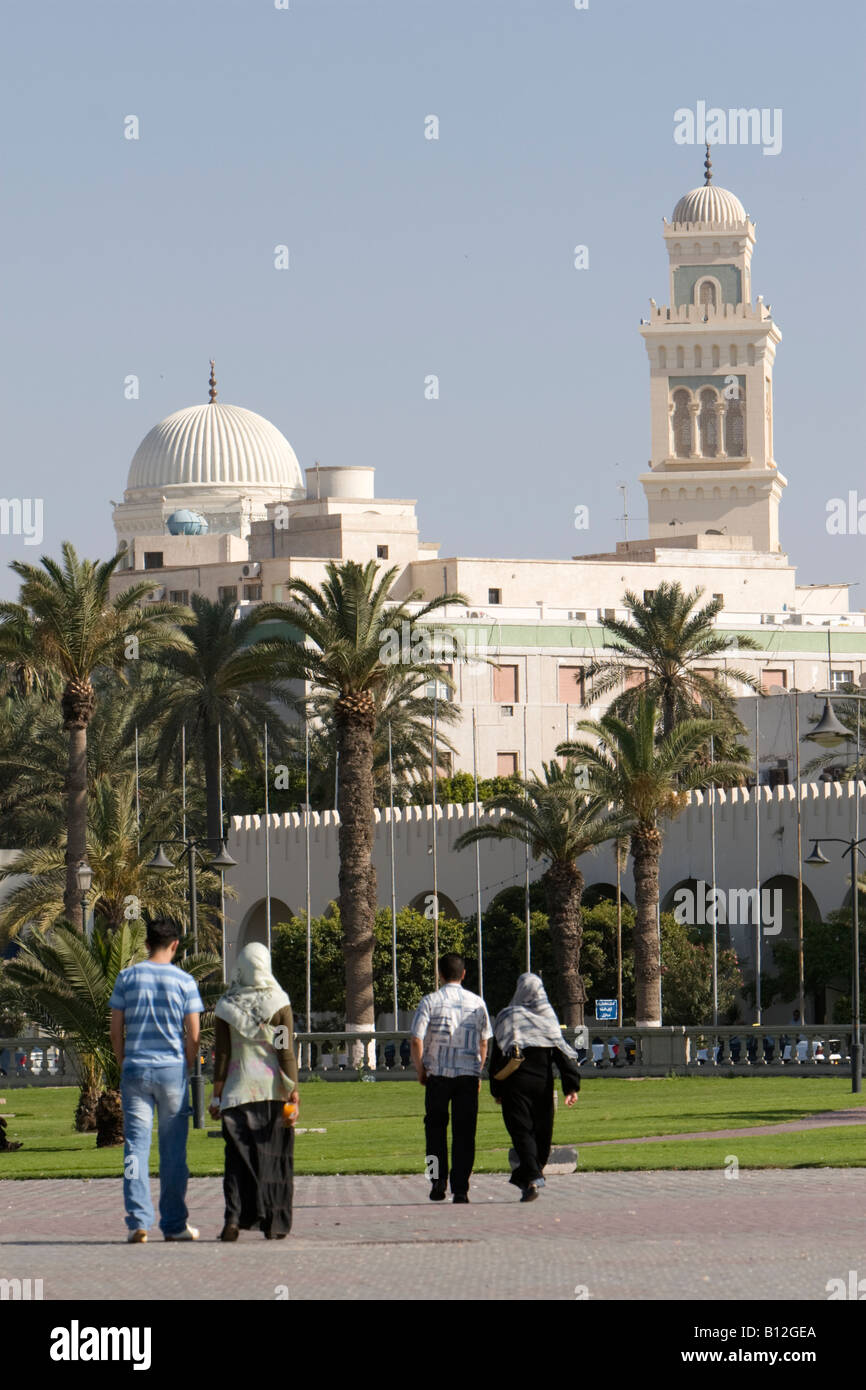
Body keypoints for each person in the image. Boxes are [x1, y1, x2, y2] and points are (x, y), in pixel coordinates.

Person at [109, 917, 204, 1244]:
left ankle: (138, 1220)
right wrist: (186, 1066)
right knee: (173, 1151)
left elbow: (115, 1029)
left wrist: (124, 1061)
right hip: (171, 1071)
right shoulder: (185, 982)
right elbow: (194, 1034)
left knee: (135, 1147)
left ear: (146, 943)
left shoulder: (126, 978)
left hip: (135, 1069)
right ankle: (175, 1223)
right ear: (175, 945)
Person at [209, 943, 298, 1241]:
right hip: (272, 1092)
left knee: (235, 1160)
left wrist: (216, 1096)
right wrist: (293, 1090)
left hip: (236, 1093)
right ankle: (274, 1222)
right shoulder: (279, 1003)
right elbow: (285, 1051)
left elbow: (222, 1055)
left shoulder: (226, 1005)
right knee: (273, 1158)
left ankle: (233, 1218)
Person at [489, 974, 580, 1202]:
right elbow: (561, 1055)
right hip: (542, 1086)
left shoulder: (506, 1017)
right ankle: (531, 1178)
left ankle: (528, 1178)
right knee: (541, 1135)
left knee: (522, 1134)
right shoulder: (548, 1017)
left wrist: (497, 1089)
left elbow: (497, 1058)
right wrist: (571, 1087)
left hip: (514, 1086)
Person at [410, 952, 492, 1204]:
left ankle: (437, 1181)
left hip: (438, 1076)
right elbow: (484, 1042)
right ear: (464, 974)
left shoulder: (430, 1001)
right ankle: (461, 1188)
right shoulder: (477, 1003)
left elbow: (416, 1038)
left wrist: (421, 1069)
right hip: (467, 1075)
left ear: (440, 974)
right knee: (465, 1133)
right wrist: (478, 1071)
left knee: (434, 1131)